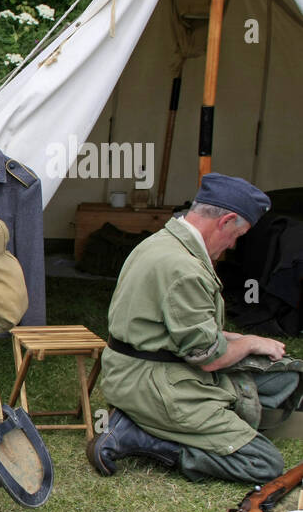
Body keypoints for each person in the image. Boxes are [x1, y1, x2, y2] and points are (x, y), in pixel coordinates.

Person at [90, 173, 302, 483]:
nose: (232, 244)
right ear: (225, 220)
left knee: (286, 374)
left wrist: (244, 339)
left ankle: (220, 415)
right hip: (152, 383)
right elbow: (209, 358)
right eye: (237, 235)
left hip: (145, 366)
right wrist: (250, 343)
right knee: (263, 463)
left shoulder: (165, 243)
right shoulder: (184, 268)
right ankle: (140, 436)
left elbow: (180, 329)